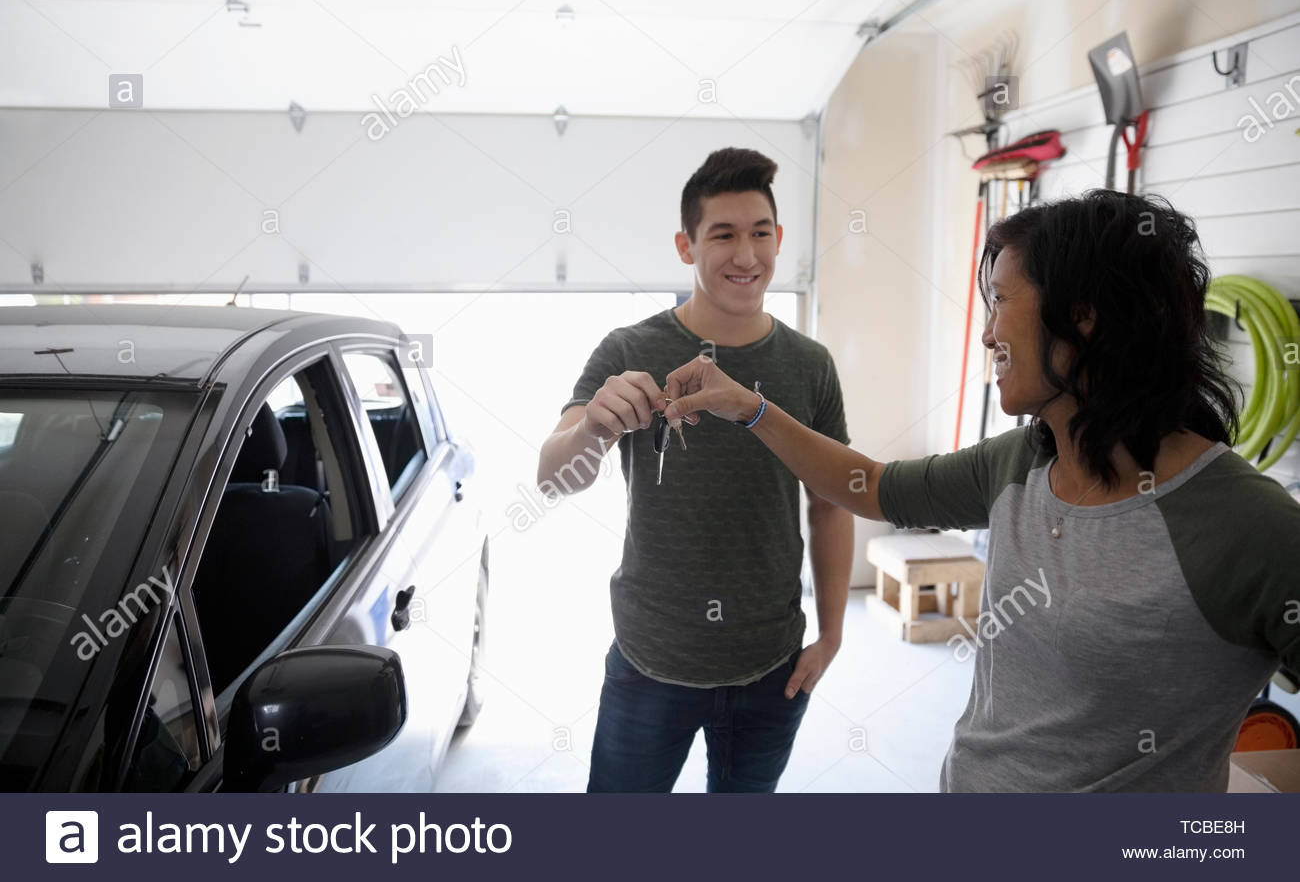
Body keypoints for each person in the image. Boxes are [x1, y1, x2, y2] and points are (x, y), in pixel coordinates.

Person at [662, 189, 1300, 792]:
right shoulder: (1025, 463)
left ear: (1085, 319)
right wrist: (747, 406)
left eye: (1000, 301)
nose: (989, 332)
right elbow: (875, 486)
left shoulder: (1247, 528)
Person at [538, 147, 854, 792]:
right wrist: (593, 426)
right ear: (686, 246)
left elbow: (831, 502)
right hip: (650, 660)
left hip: (772, 664)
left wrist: (832, 636)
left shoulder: (810, 364)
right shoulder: (630, 349)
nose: (747, 255)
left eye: (760, 233)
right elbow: (552, 478)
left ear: (780, 239)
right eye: (724, 235)